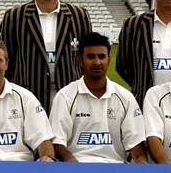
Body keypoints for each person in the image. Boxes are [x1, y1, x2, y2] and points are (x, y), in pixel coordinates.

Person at [0, 0, 92, 108]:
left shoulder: (79, 15)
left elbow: (86, 58)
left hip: (71, 97)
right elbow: (7, 60)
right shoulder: (14, 17)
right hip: (28, 96)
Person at [49, 31, 147, 164]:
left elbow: (136, 145)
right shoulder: (65, 96)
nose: (97, 62)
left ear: (109, 60)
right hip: (76, 167)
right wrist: (71, 163)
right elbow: (57, 142)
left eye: (102, 56)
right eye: (91, 57)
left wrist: (142, 164)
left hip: (115, 168)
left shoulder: (125, 97)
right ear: (80, 60)